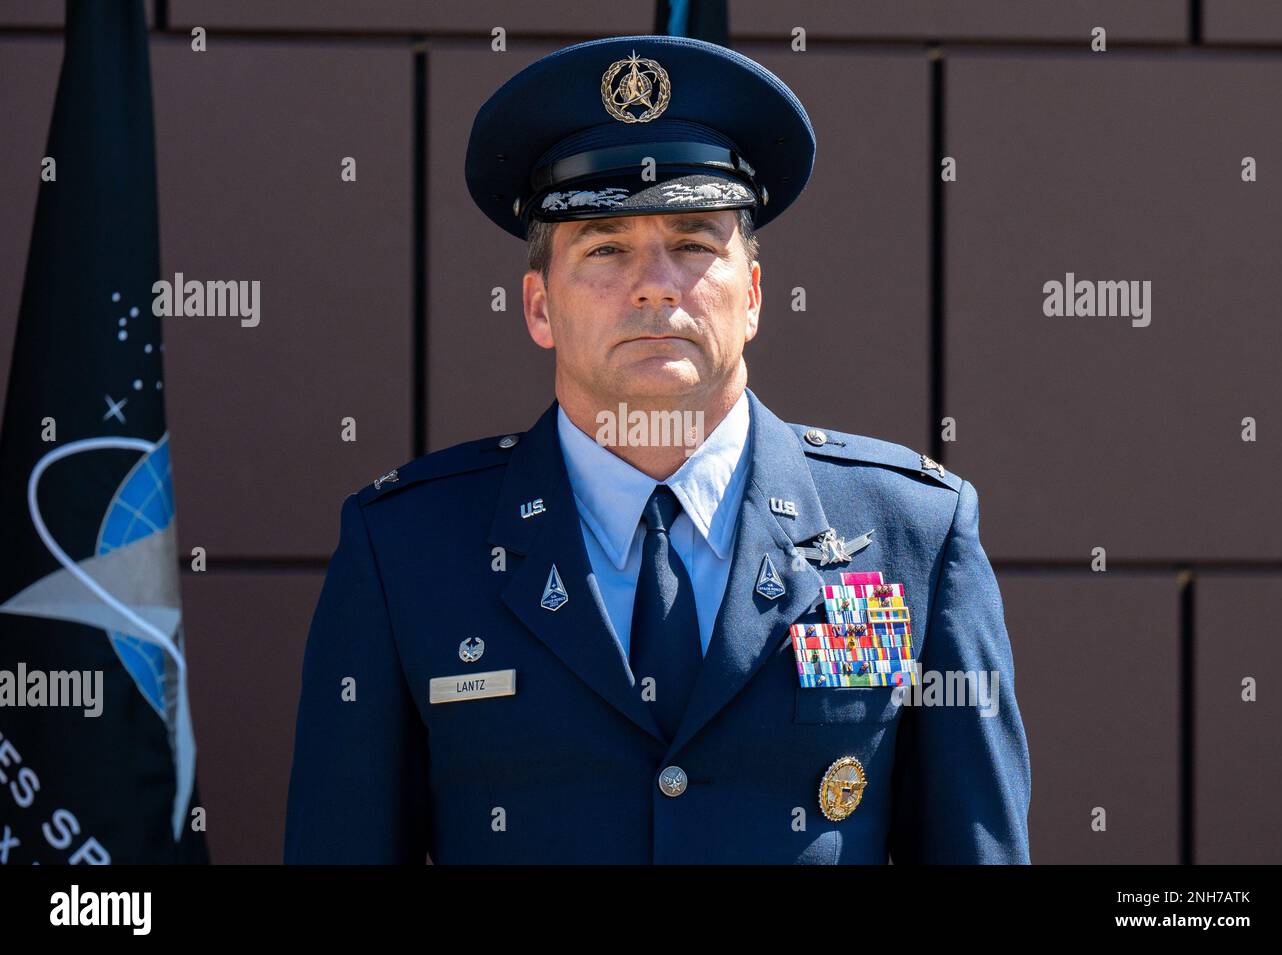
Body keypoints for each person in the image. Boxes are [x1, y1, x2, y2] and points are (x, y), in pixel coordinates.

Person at [283, 34, 1030, 864]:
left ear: (751, 294)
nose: (654, 282)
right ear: (538, 306)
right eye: (604, 246)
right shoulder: (407, 550)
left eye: (694, 242)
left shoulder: (910, 534)